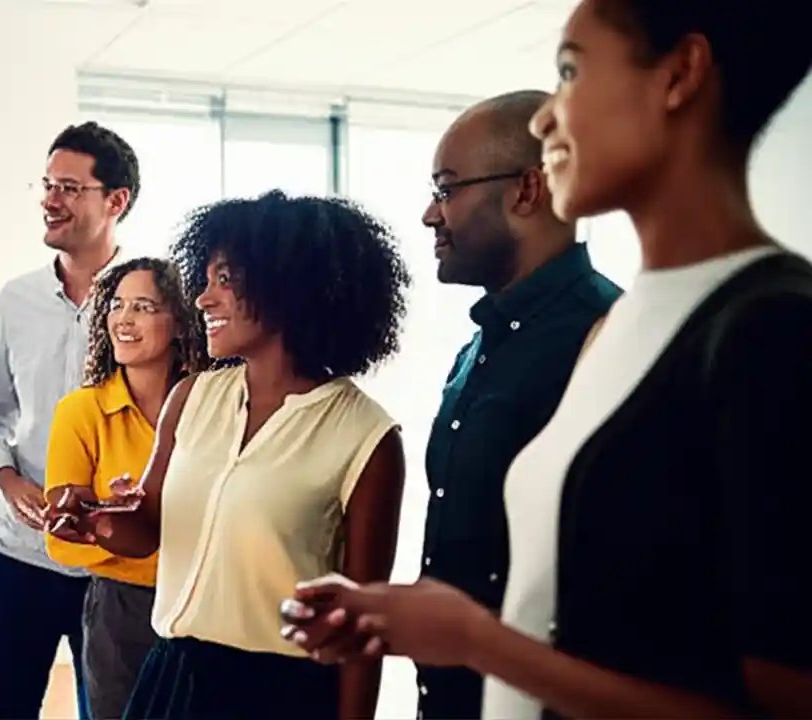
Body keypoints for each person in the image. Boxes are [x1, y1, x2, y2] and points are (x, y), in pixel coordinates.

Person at [281, 1, 812, 717]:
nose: (543, 119)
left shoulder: (770, 327)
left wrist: (476, 640)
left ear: (681, 75)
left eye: (571, 72)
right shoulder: (624, 327)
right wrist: (409, 619)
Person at [49, 190, 411, 720]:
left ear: (286, 287)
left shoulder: (366, 436)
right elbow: (146, 525)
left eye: (226, 280)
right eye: (208, 278)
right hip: (171, 676)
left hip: (281, 694)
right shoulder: (192, 397)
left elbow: (360, 626)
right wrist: (95, 520)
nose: (203, 299)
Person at [414, 89, 621, 719]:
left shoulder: (610, 337)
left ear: (528, 191)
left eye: (447, 189)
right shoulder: (477, 347)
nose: (429, 213)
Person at [0, 121, 139, 719]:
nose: (50, 200)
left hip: (115, 564)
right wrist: (9, 481)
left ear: (114, 201)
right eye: (47, 185)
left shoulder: (149, 303)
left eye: (69, 187)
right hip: (20, 557)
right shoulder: (15, 300)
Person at [43, 257, 208, 719]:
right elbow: (60, 539)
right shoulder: (81, 411)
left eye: (143, 307)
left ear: (179, 322)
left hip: (203, 604)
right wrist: (109, 524)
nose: (124, 320)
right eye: (116, 305)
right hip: (123, 610)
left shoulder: (213, 407)